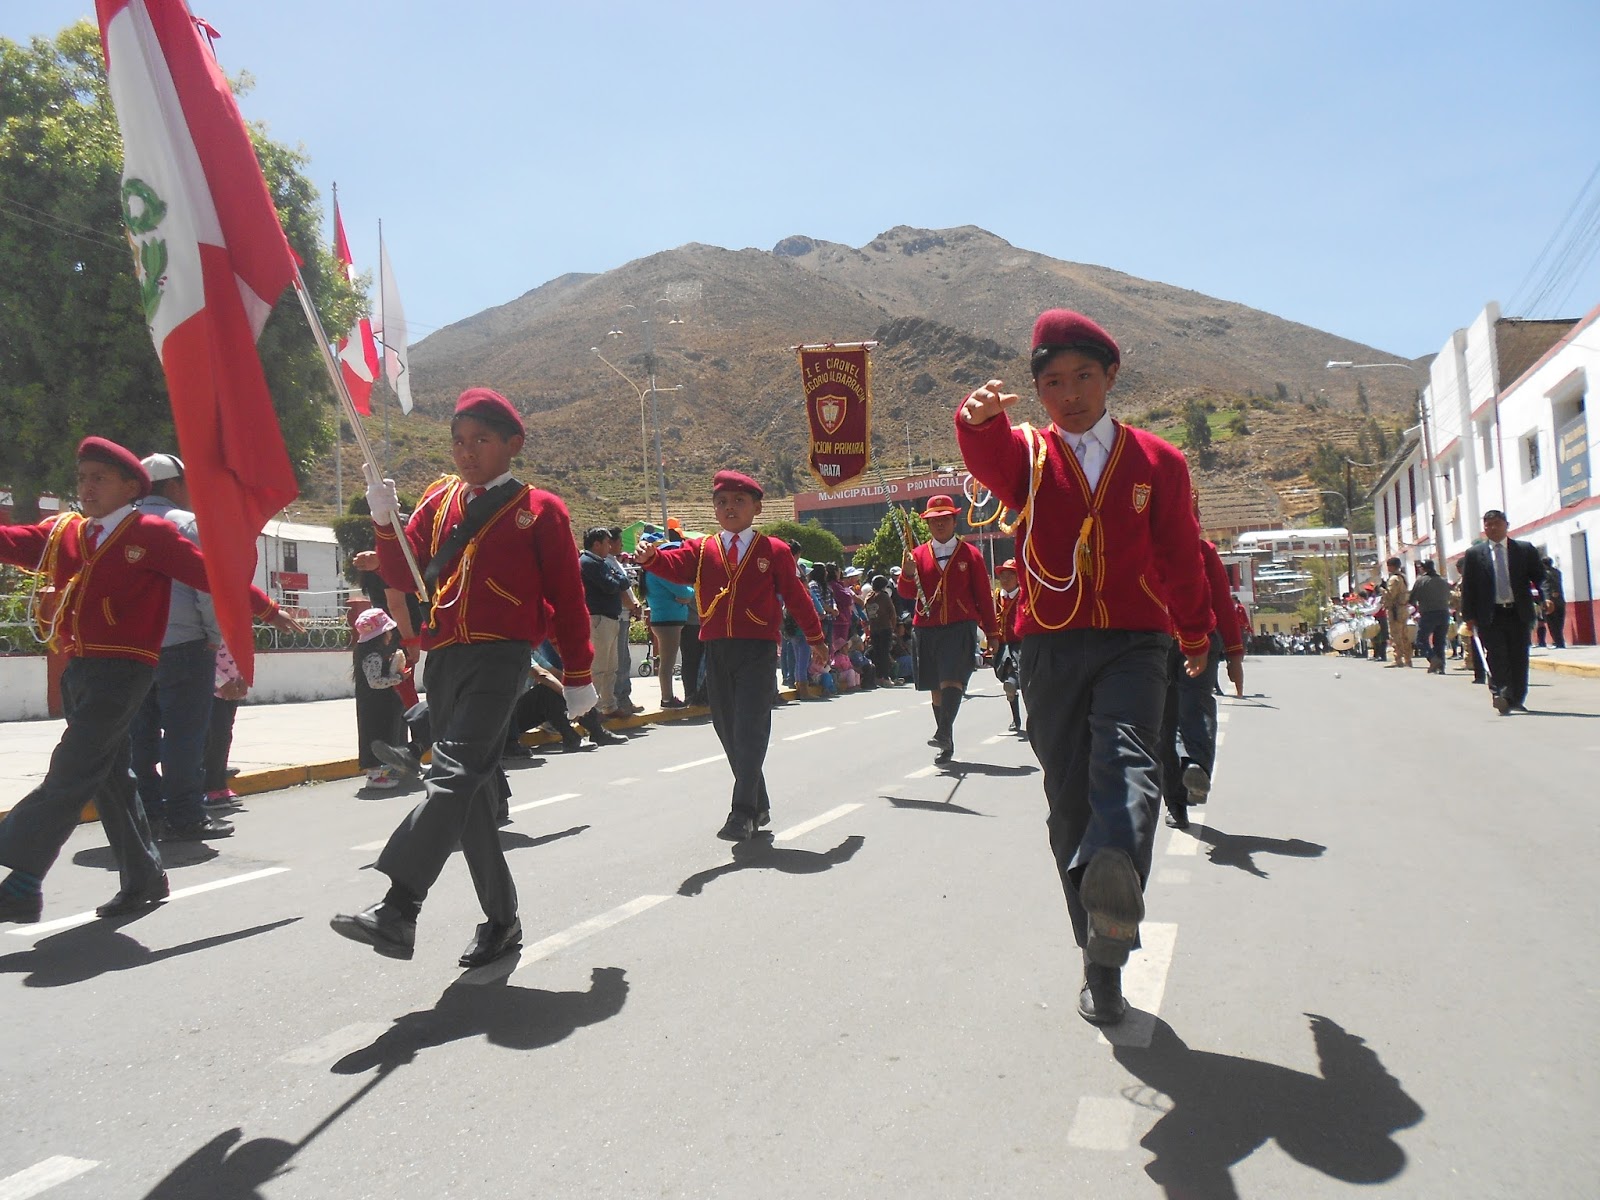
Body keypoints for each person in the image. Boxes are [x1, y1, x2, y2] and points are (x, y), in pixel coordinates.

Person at [957, 309, 1212, 1027]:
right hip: (1050, 645)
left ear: (1111, 377)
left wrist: (1194, 630)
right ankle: (1099, 957)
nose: (1070, 395)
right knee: (1069, 798)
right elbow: (987, 458)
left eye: (1084, 378)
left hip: (1137, 639)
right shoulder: (1028, 456)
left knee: (1130, 756)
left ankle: (1116, 865)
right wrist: (975, 423)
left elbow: (1180, 555)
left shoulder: (1160, 462)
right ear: (1039, 392)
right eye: (1054, 383)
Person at [332, 388, 595, 970]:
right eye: (458, 441)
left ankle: (400, 907)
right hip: (446, 655)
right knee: (469, 798)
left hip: (502, 657)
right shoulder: (440, 501)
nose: (467, 452)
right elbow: (404, 571)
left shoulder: (540, 509)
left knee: (451, 772)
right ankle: (503, 920)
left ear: (513, 444)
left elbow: (568, 598)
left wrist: (577, 674)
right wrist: (384, 522)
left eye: (481, 440)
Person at [0, 437, 298, 924]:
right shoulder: (70, 536)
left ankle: (21, 882)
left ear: (129, 486)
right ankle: (143, 878)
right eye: (82, 478)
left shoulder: (150, 533)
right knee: (110, 776)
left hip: (125, 671)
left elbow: (211, 575)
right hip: (81, 669)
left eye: (99, 477)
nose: (87, 487)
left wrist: (264, 607)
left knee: (70, 769)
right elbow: (15, 542)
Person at [634, 471, 827, 841]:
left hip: (757, 649)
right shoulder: (703, 548)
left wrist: (816, 636)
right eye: (722, 502)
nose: (729, 508)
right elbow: (674, 567)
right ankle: (760, 801)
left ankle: (742, 813)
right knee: (728, 731)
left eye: (739, 501)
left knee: (751, 728)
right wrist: (652, 559)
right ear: (714, 509)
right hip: (717, 648)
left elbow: (797, 596)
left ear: (757, 507)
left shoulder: (775, 550)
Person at [127, 452, 233, 841]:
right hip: (184, 645)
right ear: (173, 486)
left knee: (140, 735)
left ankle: (147, 812)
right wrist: (213, 635)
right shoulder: (187, 525)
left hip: (133, 649)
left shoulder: (120, 525)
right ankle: (185, 815)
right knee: (185, 734)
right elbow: (207, 585)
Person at [896, 495, 996, 763]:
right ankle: (946, 740)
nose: (939, 525)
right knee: (935, 687)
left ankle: (942, 731)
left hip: (959, 626)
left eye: (945, 520)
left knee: (952, 678)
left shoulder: (970, 555)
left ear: (954, 521)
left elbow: (984, 596)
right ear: (927, 524)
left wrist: (993, 632)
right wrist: (906, 573)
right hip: (926, 627)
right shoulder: (915, 555)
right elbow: (905, 592)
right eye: (934, 521)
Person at [1158, 528, 1245, 831]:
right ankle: (1177, 800)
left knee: (1194, 704)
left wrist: (1235, 654)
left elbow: (1221, 601)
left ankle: (1195, 768)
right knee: (1164, 726)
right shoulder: (1137, 543)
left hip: (1203, 640)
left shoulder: (1203, 550)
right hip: (1155, 644)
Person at [1458, 509, 1545, 715]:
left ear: (1507, 525)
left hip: (1518, 613)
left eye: (1496, 523)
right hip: (1490, 614)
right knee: (1496, 656)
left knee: (1518, 656)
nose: (1492, 528)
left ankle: (1516, 698)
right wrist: (1468, 616)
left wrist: (1547, 597)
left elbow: (1540, 577)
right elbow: (1468, 587)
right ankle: (1501, 694)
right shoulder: (1474, 555)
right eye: (1487, 524)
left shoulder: (1523, 550)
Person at [351, 606, 409, 789]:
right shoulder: (373, 656)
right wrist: (398, 678)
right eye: (388, 632)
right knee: (375, 735)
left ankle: (382, 772)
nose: (391, 635)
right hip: (374, 704)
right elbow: (374, 681)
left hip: (375, 703)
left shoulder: (369, 652)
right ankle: (375, 776)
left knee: (381, 734)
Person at [580, 527, 629, 721]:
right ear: (596, 544)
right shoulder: (588, 563)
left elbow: (623, 581)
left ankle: (609, 705)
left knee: (611, 667)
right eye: (607, 543)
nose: (610, 546)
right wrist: (616, 579)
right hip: (598, 619)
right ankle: (593, 710)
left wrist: (616, 579)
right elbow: (611, 585)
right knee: (599, 668)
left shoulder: (601, 563)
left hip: (609, 619)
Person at [640, 532, 695, 707]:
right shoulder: (659, 573)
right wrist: (687, 594)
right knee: (667, 663)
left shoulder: (649, 573)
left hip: (664, 620)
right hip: (669, 622)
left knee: (666, 661)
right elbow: (686, 592)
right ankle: (667, 698)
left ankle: (667, 697)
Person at [992, 558, 1024, 732]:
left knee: (1014, 670)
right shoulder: (997, 596)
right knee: (1004, 674)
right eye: (1002, 576)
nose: (1004, 580)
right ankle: (1016, 718)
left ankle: (1013, 683)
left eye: (1009, 576)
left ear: (1018, 577)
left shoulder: (1023, 595)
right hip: (1002, 642)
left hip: (1019, 643)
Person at [1408, 560, 1452, 674]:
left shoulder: (1421, 581)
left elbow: (1411, 599)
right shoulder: (1443, 581)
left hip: (1428, 613)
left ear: (1423, 568)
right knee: (1440, 641)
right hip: (1444, 612)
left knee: (1421, 640)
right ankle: (1441, 666)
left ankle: (1433, 659)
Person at [864, 574, 898, 686]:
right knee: (885, 653)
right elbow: (892, 613)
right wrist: (892, 627)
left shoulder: (869, 597)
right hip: (885, 627)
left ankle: (878, 677)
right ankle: (886, 677)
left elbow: (868, 613)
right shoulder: (884, 596)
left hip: (874, 628)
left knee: (877, 653)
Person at [1380, 558, 1412, 668]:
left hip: (1395, 610)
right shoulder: (1402, 577)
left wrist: (1381, 589)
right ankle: (1408, 658)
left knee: (1395, 635)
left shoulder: (1393, 579)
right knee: (1404, 635)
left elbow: (1390, 595)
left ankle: (1398, 659)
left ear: (1391, 566)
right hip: (1403, 609)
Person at [1539, 556, 1566, 649]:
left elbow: (1546, 588)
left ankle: (1559, 642)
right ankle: (1559, 641)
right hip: (1560, 600)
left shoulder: (1543, 574)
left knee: (1552, 622)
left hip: (1549, 601)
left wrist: (1546, 601)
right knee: (1559, 622)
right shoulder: (1558, 572)